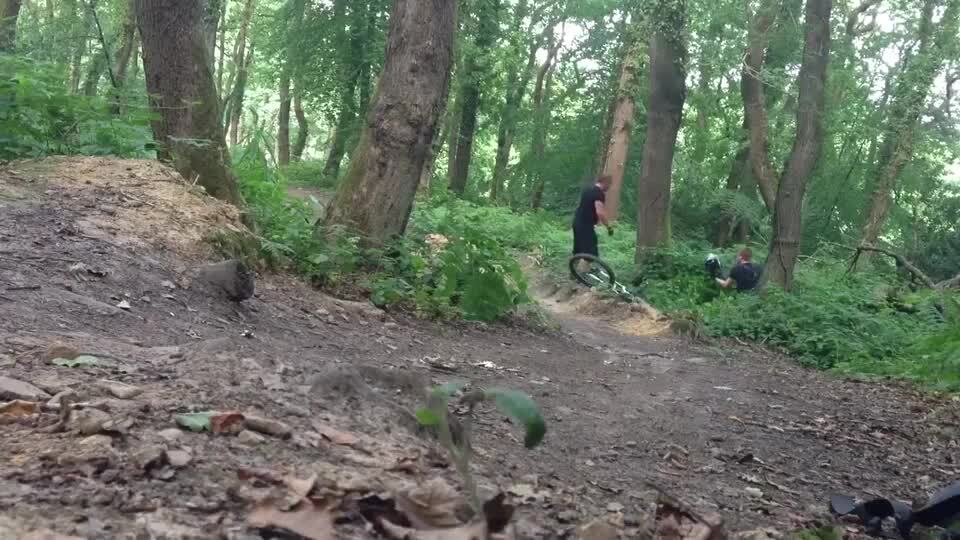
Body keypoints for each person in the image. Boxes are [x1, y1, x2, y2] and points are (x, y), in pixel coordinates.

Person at [572, 175, 613, 269]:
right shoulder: (598, 194)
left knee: (578, 250)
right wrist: (609, 227)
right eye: (609, 185)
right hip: (586, 226)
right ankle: (582, 276)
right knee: (590, 253)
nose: (609, 187)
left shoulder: (587, 191)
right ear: (605, 182)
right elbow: (600, 212)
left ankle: (573, 274)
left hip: (577, 223)